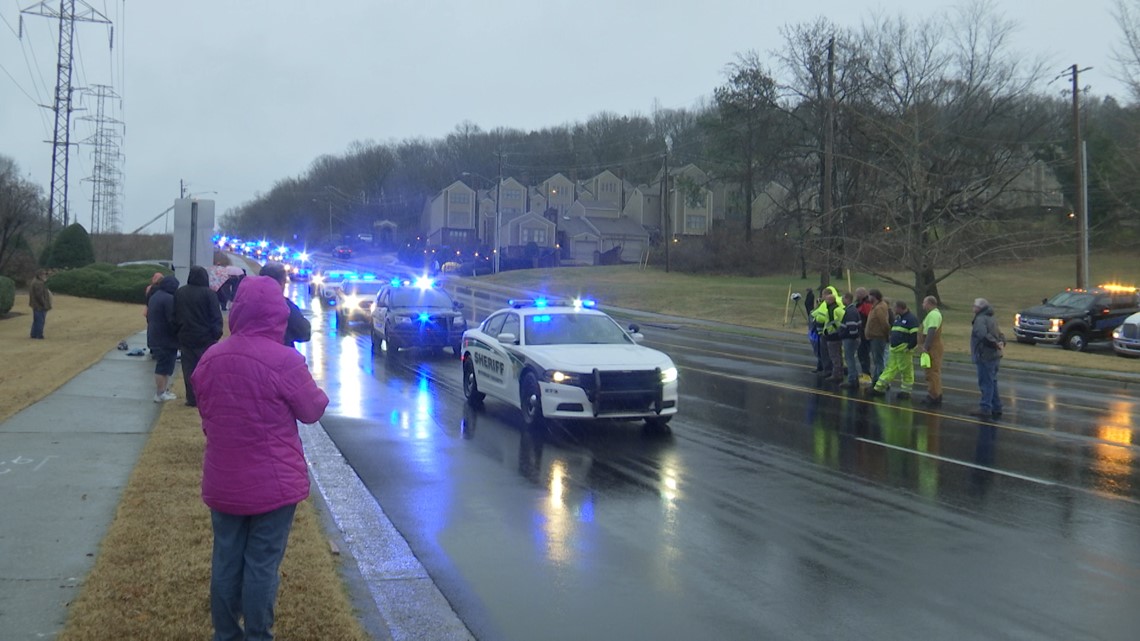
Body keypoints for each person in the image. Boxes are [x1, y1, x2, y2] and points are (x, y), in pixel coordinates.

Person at [190, 275, 329, 641]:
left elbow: (206, 413)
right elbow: (312, 410)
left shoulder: (210, 358)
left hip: (223, 480)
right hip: (274, 485)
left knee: (226, 559)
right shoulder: (285, 361)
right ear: (277, 314)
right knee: (262, 564)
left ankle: (224, 631)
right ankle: (257, 634)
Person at [174, 266, 224, 407]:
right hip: (206, 338)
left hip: (185, 336)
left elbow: (175, 315)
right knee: (206, 370)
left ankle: (191, 398)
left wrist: (177, 332)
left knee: (188, 369)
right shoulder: (209, 294)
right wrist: (216, 334)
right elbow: (216, 317)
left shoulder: (180, 292)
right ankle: (205, 396)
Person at [871, 299, 919, 399]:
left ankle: (906, 392)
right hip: (894, 349)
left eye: (894, 307)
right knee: (890, 369)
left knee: (906, 371)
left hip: (903, 350)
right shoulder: (898, 319)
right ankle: (878, 388)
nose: (893, 309)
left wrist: (909, 347)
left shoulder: (911, 319)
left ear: (899, 308)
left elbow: (915, 336)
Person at [257, 262, 312, 346]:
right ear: (282, 282)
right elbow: (305, 333)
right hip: (279, 355)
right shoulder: (286, 306)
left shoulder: (245, 302)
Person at [147, 274, 180, 402]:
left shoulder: (155, 296)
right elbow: (172, 320)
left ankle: (163, 391)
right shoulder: (169, 299)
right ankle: (160, 393)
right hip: (165, 338)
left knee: (164, 365)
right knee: (163, 367)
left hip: (155, 335)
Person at [970, 297, 1005, 419]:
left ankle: (985, 407)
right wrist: (1000, 342)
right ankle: (996, 406)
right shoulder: (992, 318)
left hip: (985, 354)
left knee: (985, 382)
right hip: (995, 355)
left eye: (974, 306)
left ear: (979, 308)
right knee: (992, 381)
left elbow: (982, 335)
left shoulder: (980, 319)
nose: (973, 308)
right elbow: (999, 333)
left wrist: (995, 343)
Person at [916, 295, 944, 407]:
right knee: (930, 370)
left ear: (929, 303)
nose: (923, 305)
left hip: (933, 346)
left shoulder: (934, 314)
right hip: (931, 346)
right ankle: (935, 392)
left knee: (932, 371)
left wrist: (926, 346)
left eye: (924, 302)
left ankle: (934, 395)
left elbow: (931, 330)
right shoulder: (932, 314)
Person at [810, 285, 840, 377]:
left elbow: (820, 316)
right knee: (829, 352)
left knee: (825, 352)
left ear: (826, 295)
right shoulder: (836, 302)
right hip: (828, 331)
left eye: (823, 294)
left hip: (826, 332)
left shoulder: (827, 305)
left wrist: (814, 317)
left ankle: (827, 370)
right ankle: (823, 367)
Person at [864, 289, 890, 387]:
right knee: (876, 360)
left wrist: (885, 334)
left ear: (874, 296)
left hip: (878, 337)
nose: (868, 298)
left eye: (869, 296)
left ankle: (880, 381)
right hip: (874, 336)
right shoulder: (875, 306)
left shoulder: (880, 308)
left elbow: (883, 323)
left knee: (879, 360)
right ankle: (876, 379)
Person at [840, 292, 862, 389]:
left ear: (847, 299)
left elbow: (852, 326)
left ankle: (852, 379)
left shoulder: (850, 311)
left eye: (843, 298)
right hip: (850, 338)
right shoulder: (851, 310)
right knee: (850, 358)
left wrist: (851, 336)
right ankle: (853, 378)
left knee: (850, 359)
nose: (841, 300)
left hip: (850, 339)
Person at [854, 287, 873, 380]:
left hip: (864, 334)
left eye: (857, 294)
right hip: (861, 333)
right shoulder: (861, 304)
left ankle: (866, 374)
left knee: (864, 354)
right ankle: (865, 373)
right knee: (861, 354)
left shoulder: (866, 305)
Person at [28, 269, 52, 339]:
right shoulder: (39, 283)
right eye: (44, 274)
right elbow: (39, 296)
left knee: (36, 320)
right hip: (39, 306)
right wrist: (44, 304)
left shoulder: (35, 281)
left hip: (36, 305)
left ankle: (33, 334)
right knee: (40, 321)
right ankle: (39, 335)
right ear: (39, 275)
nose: (45, 275)